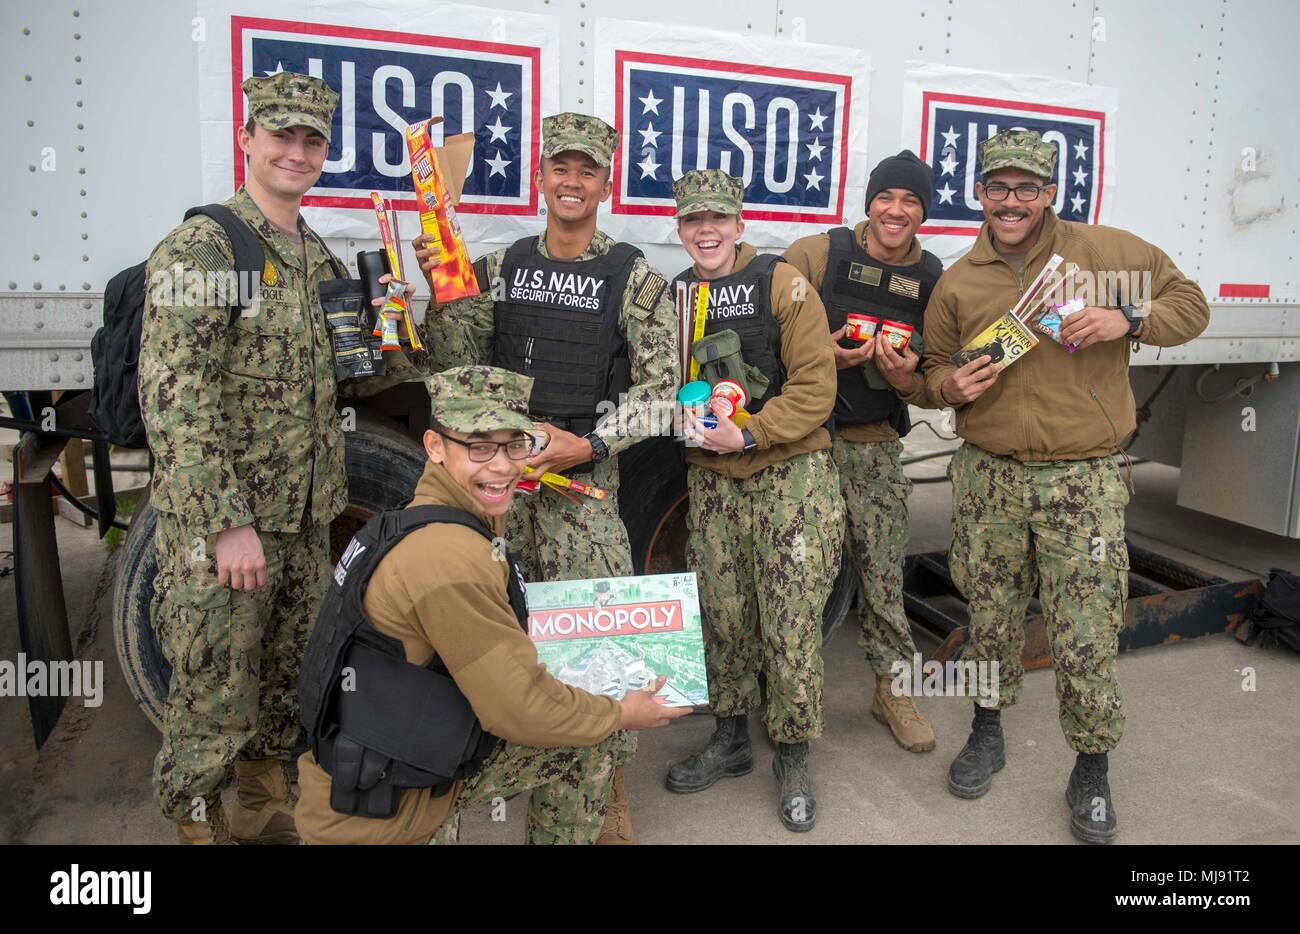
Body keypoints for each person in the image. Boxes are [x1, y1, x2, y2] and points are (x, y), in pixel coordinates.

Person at [138, 72, 412, 844]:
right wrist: (226, 526)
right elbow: (174, 396)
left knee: (284, 680)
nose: (296, 151)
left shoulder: (315, 254)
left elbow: (353, 375)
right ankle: (199, 824)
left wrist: (394, 327)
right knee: (213, 693)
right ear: (247, 140)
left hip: (302, 522)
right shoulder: (207, 244)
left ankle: (264, 806)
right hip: (227, 531)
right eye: (281, 135)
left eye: (311, 139)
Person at [917, 129, 1210, 843]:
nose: (1010, 202)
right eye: (997, 188)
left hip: (1083, 479)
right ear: (979, 194)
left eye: (1026, 188)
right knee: (989, 616)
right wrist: (948, 384)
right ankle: (988, 732)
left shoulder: (1108, 255)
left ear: (1051, 193)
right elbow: (930, 371)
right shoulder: (961, 279)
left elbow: (1192, 307)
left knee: (1085, 630)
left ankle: (1092, 766)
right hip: (990, 477)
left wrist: (1127, 317)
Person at [413, 113, 680, 843]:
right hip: (497, 496)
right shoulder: (502, 269)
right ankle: (516, 770)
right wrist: (444, 289)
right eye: (561, 167)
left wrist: (587, 443)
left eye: (587, 170)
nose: (572, 181)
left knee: (597, 652)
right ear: (541, 176)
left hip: (580, 492)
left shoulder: (632, 276)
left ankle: (608, 780)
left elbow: (662, 391)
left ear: (605, 182)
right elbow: (456, 363)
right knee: (502, 648)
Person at [294, 366, 689, 844]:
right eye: (478, 447)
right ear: (434, 446)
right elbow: (517, 707)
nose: (501, 466)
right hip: (382, 816)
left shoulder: (416, 520)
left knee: (577, 732)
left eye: (514, 445)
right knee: (595, 732)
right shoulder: (448, 558)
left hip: (378, 764)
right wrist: (622, 712)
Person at [662, 169, 841, 832]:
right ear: (680, 229)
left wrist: (752, 432)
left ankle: (792, 755)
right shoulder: (677, 297)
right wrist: (679, 418)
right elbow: (666, 380)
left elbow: (816, 390)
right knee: (723, 612)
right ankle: (731, 739)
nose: (705, 231)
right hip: (712, 480)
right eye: (691, 221)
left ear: (739, 224)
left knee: (790, 620)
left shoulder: (782, 283)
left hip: (787, 475)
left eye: (717, 218)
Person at [783, 150, 944, 753]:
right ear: (869, 203)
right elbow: (762, 337)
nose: (896, 211)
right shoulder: (815, 256)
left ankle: (892, 690)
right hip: (805, 444)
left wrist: (905, 379)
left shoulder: (934, 280)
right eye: (886, 198)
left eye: (910, 201)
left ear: (922, 212)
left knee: (880, 571)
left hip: (873, 442)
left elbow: (937, 374)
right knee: (796, 575)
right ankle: (788, 697)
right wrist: (820, 355)